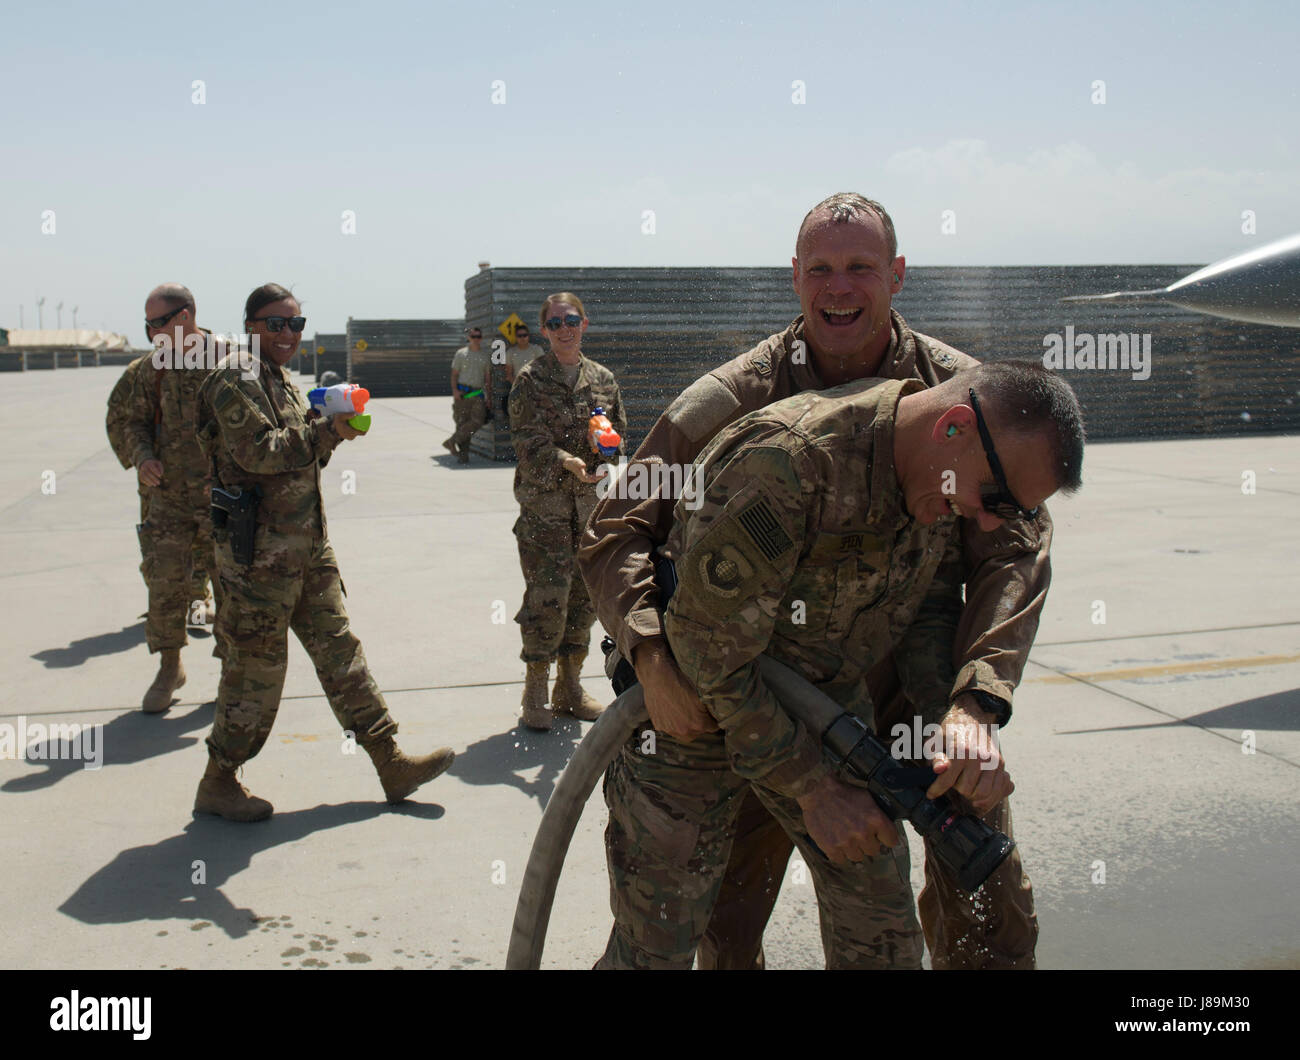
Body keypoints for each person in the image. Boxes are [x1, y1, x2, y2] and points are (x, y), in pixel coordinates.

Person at [579, 193, 1052, 969]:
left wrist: (976, 702)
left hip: (909, 687)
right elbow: (617, 531)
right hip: (755, 687)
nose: (840, 288)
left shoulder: (960, 398)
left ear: (897, 276)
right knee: (724, 925)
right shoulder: (731, 399)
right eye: (822, 269)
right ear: (795, 278)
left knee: (985, 899)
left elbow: (1015, 550)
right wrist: (652, 657)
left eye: (861, 267)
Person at [193, 283, 454, 821]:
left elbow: (300, 458)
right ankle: (219, 780)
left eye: (296, 324)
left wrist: (332, 433)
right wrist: (323, 432)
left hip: (307, 547)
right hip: (256, 559)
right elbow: (261, 454)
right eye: (276, 324)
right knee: (254, 674)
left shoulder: (282, 381)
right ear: (250, 326)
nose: (288, 334)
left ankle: (390, 761)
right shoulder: (233, 378)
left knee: (342, 655)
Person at [507, 293, 626, 731]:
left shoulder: (603, 379)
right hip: (546, 512)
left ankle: (570, 688)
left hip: (590, 510)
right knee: (546, 600)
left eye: (571, 320)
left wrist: (607, 447)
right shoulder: (531, 380)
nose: (564, 328)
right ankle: (535, 690)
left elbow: (620, 437)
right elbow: (525, 444)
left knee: (584, 601)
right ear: (544, 331)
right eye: (555, 323)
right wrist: (565, 460)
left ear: (585, 323)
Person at [106, 283, 219, 714]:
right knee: (164, 583)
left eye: (157, 323)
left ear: (184, 317)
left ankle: (231, 670)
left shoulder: (228, 361)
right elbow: (129, 421)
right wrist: (143, 457)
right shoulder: (149, 369)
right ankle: (170, 667)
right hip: (167, 497)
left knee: (232, 585)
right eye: (148, 324)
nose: (151, 332)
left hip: (222, 497)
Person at [442, 327, 493, 464]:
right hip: (462, 393)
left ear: (481, 338)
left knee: (478, 421)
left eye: (478, 336)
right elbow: (454, 374)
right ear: (469, 338)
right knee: (462, 424)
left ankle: (452, 441)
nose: (476, 339)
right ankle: (463, 456)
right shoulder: (461, 354)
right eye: (473, 336)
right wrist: (454, 391)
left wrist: (488, 397)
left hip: (477, 394)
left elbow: (488, 379)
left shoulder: (485, 356)